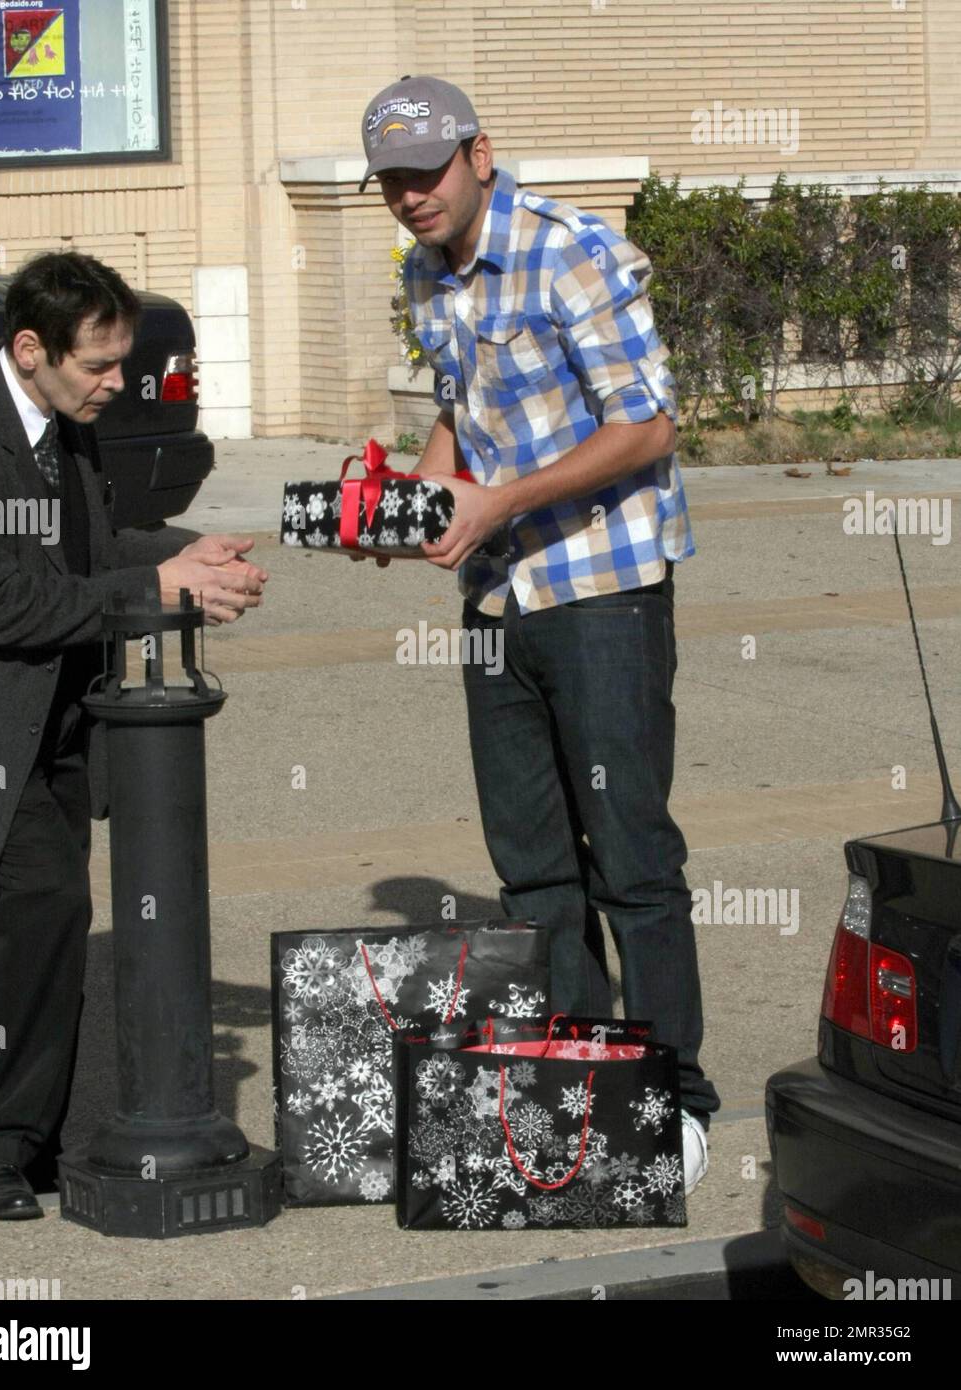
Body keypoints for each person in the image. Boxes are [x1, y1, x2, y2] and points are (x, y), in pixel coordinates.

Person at [360, 76, 720, 1192]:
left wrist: (496, 503)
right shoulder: (429, 270)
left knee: (629, 856)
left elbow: (648, 425)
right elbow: (461, 415)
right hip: (492, 599)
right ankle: (580, 1070)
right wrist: (410, 505)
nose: (410, 195)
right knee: (528, 866)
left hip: (600, 589)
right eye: (391, 180)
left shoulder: (570, 249)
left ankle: (673, 1099)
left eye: (426, 170)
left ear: (478, 153)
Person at [0, 251, 268, 1220]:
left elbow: (91, 551)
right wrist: (157, 589)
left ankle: (32, 1143)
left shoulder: (64, 424)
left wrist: (184, 554)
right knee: (30, 921)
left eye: (124, 362)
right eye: (100, 365)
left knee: (51, 923)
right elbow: (6, 605)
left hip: (65, 721)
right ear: (30, 348)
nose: (118, 384)